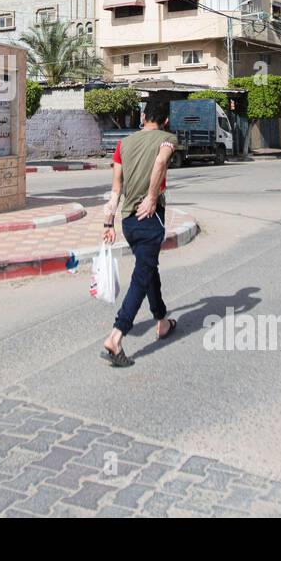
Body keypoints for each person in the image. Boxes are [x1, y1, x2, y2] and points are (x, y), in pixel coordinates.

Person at [100, 97, 178, 368]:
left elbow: (116, 189)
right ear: (165, 120)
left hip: (127, 223)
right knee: (141, 276)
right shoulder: (168, 139)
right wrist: (152, 197)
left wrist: (108, 223)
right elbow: (160, 163)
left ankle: (162, 321)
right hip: (149, 218)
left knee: (149, 270)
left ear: (143, 116)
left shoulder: (124, 144)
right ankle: (116, 336)